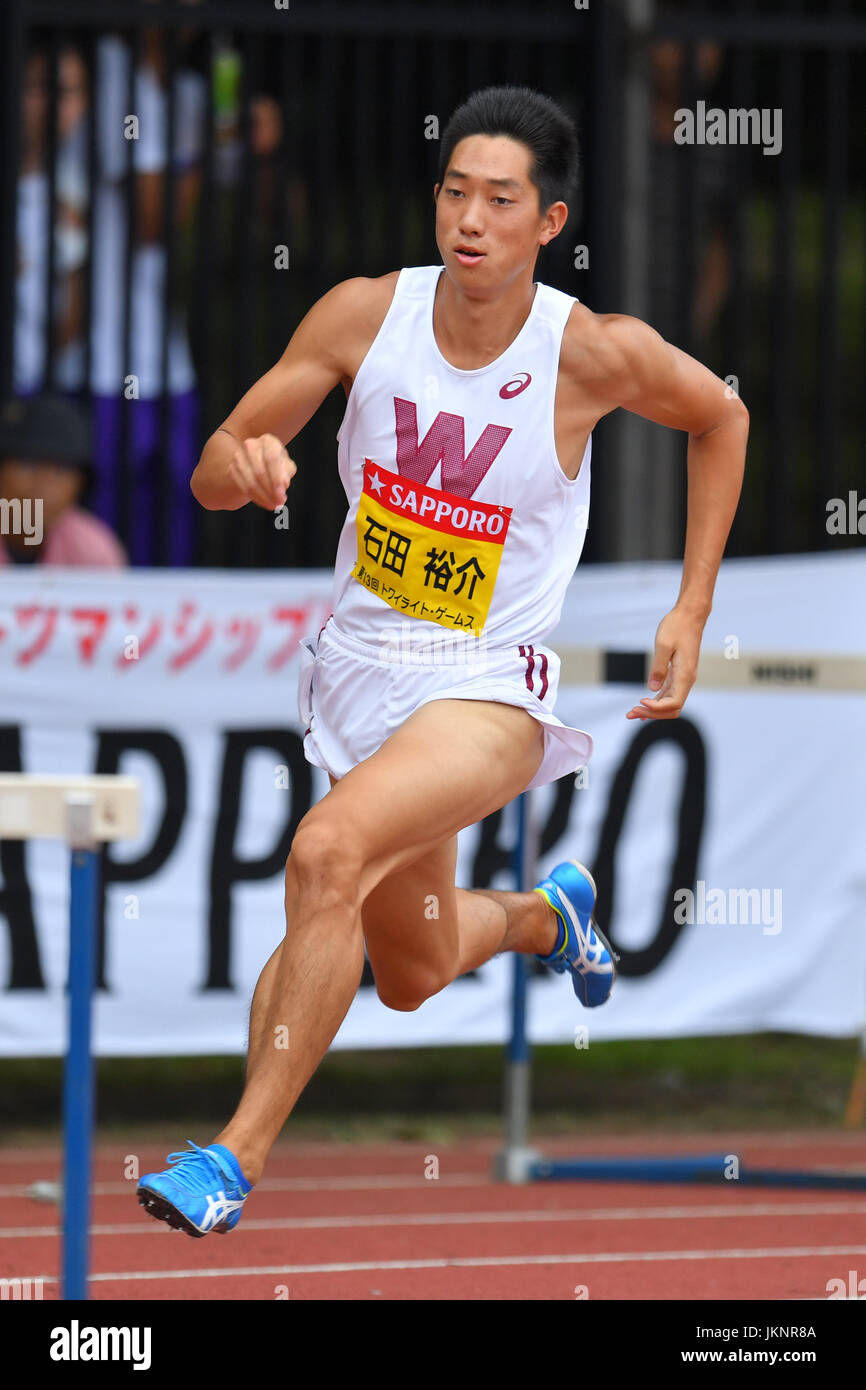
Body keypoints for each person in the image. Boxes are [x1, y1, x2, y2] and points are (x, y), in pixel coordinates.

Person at [137, 86, 748, 1236]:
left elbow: (721, 418)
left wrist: (691, 604)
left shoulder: (590, 351)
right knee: (411, 967)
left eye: (499, 200)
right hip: (357, 673)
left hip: (484, 684)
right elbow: (215, 464)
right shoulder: (363, 316)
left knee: (325, 853)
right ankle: (542, 918)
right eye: (454, 192)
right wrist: (247, 466)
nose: (470, 219)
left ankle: (231, 1158)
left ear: (548, 222)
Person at [0, 395, 126, 566]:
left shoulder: (92, 551)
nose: (44, 482)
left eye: (60, 470)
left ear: (80, 484)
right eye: (28, 464)